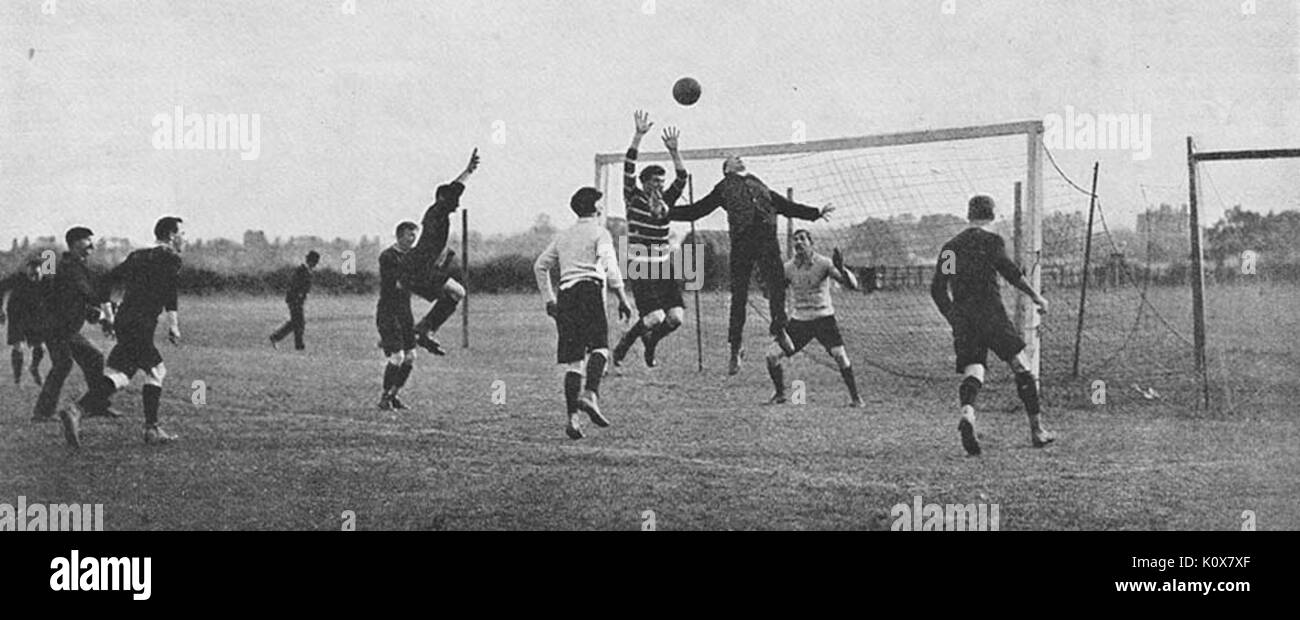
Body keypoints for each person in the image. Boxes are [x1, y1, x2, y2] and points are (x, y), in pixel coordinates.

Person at [669, 154, 834, 374]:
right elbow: (696, 210)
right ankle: (735, 347)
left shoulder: (758, 183)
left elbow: (784, 205)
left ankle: (779, 328)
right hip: (743, 242)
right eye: (733, 159)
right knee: (739, 297)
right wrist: (668, 213)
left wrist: (815, 213)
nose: (739, 159)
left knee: (777, 287)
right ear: (726, 169)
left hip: (767, 240)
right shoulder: (723, 187)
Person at [930, 195, 1057, 456]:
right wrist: (1036, 296)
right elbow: (1010, 272)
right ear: (993, 215)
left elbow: (937, 288)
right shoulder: (992, 242)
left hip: (964, 318)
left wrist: (952, 316)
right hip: (991, 314)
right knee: (1021, 366)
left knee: (974, 369)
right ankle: (1037, 430)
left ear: (968, 214)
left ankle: (967, 413)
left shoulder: (951, 247)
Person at [60, 217, 187, 447]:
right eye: (182, 233)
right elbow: (170, 292)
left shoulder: (137, 256)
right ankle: (150, 429)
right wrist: (174, 324)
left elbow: (106, 282)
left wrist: (109, 314)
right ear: (170, 235)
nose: (184, 238)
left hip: (124, 321)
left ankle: (77, 410)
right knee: (157, 371)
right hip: (141, 324)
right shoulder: (171, 258)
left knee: (120, 375)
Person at [534, 187, 633, 440]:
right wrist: (622, 297)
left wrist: (549, 299)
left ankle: (572, 420)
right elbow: (610, 265)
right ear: (596, 207)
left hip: (566, 296)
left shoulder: (563, 236)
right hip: (589, 291)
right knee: (600, 349)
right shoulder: (600, 232)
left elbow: (540, 266)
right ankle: (590, 394)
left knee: (574, 362)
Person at [612, 111, 689, 368]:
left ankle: (651, 343)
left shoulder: (666, 201)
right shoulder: (633, 196)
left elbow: (681, 178)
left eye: (661, 181)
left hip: (663, 265)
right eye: (654, 181)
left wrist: (674, 151)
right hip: (640, 264)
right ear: (644, 183)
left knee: (675, 318)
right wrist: (638, 135)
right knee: (654, 317)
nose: (659, 185)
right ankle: (624, 344)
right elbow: (628, 166)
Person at [765, 230, 864, 407]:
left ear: (811, 243)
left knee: (840, 356)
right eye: (795, 239)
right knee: (772, 355)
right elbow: (774, 291)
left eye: (802, 238)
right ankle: (780, 394)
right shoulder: (788, 268)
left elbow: (852, 285)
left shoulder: (824, 263)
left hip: (823, 318)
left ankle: (856, 398)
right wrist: (768, 282)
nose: (798, 242)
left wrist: (841, 268)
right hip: (800, 320)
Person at [34, 227, 120, 430]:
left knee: (93, 358)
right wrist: (105, 314)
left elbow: (86, 296)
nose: (91, 244)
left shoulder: (80, 267)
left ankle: (97, 404)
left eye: (92, 241)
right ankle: (42, 413)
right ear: (73, 244)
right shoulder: (68, 267)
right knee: (63, 364)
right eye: (86, 241)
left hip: (67, 327)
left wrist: (102, 312)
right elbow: (89, 294)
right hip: (55, 327)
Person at [403, 149, 480, 355]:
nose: (458, 203)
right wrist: (467, 172)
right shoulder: (437, 211)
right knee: (458, 293)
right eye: (453, 199)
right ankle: (424, 329)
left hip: (420, 268)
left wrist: (468, 171)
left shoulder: (436, 212)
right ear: (442, 198)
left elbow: (452, 190)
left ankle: (422, 330)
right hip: (419, 269)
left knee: (453, 295)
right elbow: (454, 190)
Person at [376, 221, 419, 410]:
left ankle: (394, 395)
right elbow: (398, 283)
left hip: (405, 312)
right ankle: (384, 397)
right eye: (410, 235)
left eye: (414, 235)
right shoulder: (388, 256)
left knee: (411, 356)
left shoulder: (412, 256)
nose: (413, 238)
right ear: (400, 236)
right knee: (398, 356)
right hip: (388, 311)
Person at [0, 256, 49, 386]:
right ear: (27, 269)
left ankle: (34, 367)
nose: (34, 276)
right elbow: (1, 288)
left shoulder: (47, 282)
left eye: (37, 273)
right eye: (31, 272)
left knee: (40, 347)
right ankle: (17, 379)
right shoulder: (17, 278)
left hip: (35, 316)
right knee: (18, 346)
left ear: (42, 271)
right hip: (17, 316)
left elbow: (56, 299)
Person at [270, 250, 320, 350]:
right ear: (311, 261)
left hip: (298, 299)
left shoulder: (307, 271)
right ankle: (298, 345)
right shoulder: (301, 270)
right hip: (294, 299)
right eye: (315, 262)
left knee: (295, 322)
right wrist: (298, 295)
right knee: (299, 323)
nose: (315, 265)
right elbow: (294, 284)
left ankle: (276, 337)